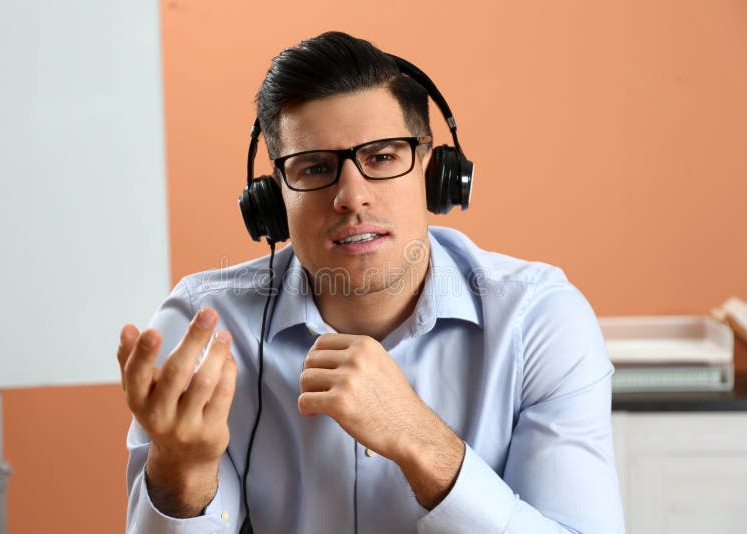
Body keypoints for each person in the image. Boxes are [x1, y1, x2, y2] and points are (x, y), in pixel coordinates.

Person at [117, 31, 625, 533]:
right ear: (273, 199)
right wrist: (183, 471)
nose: (351, 196)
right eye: (315, 167)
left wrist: (418, 438)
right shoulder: (205, 329)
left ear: (431, 169)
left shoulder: (538, 319)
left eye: (382, 157)